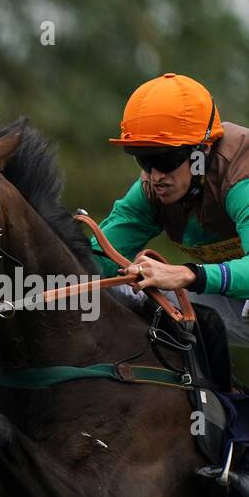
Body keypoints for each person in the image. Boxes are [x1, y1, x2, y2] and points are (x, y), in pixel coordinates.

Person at [92, 72, 249, 348]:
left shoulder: (241, 178)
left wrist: (187, 273)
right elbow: (92, 263)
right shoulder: (152, 189)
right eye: (144, 160)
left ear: (202, 151)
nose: (155, 176)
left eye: (165, 159)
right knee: (127, 295)